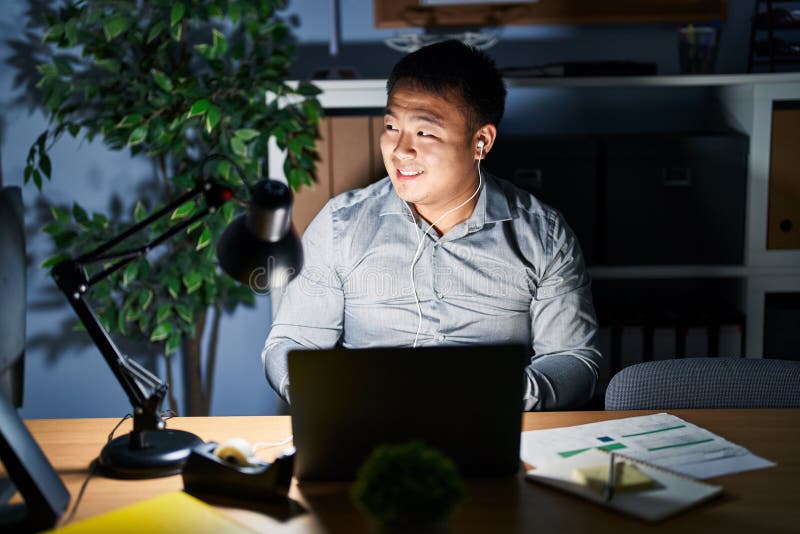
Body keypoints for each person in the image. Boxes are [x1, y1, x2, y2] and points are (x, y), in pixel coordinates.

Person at [262, 40, 601, 410]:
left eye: (424, 133)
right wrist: (324, 392)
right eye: (392, 126)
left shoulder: (543, 236)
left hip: (492, 423)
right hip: (367, 424)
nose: (400, 150)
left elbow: (574, 359)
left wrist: (503, 392)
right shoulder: (340, 225)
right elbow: (291, 343)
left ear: (481, 142)